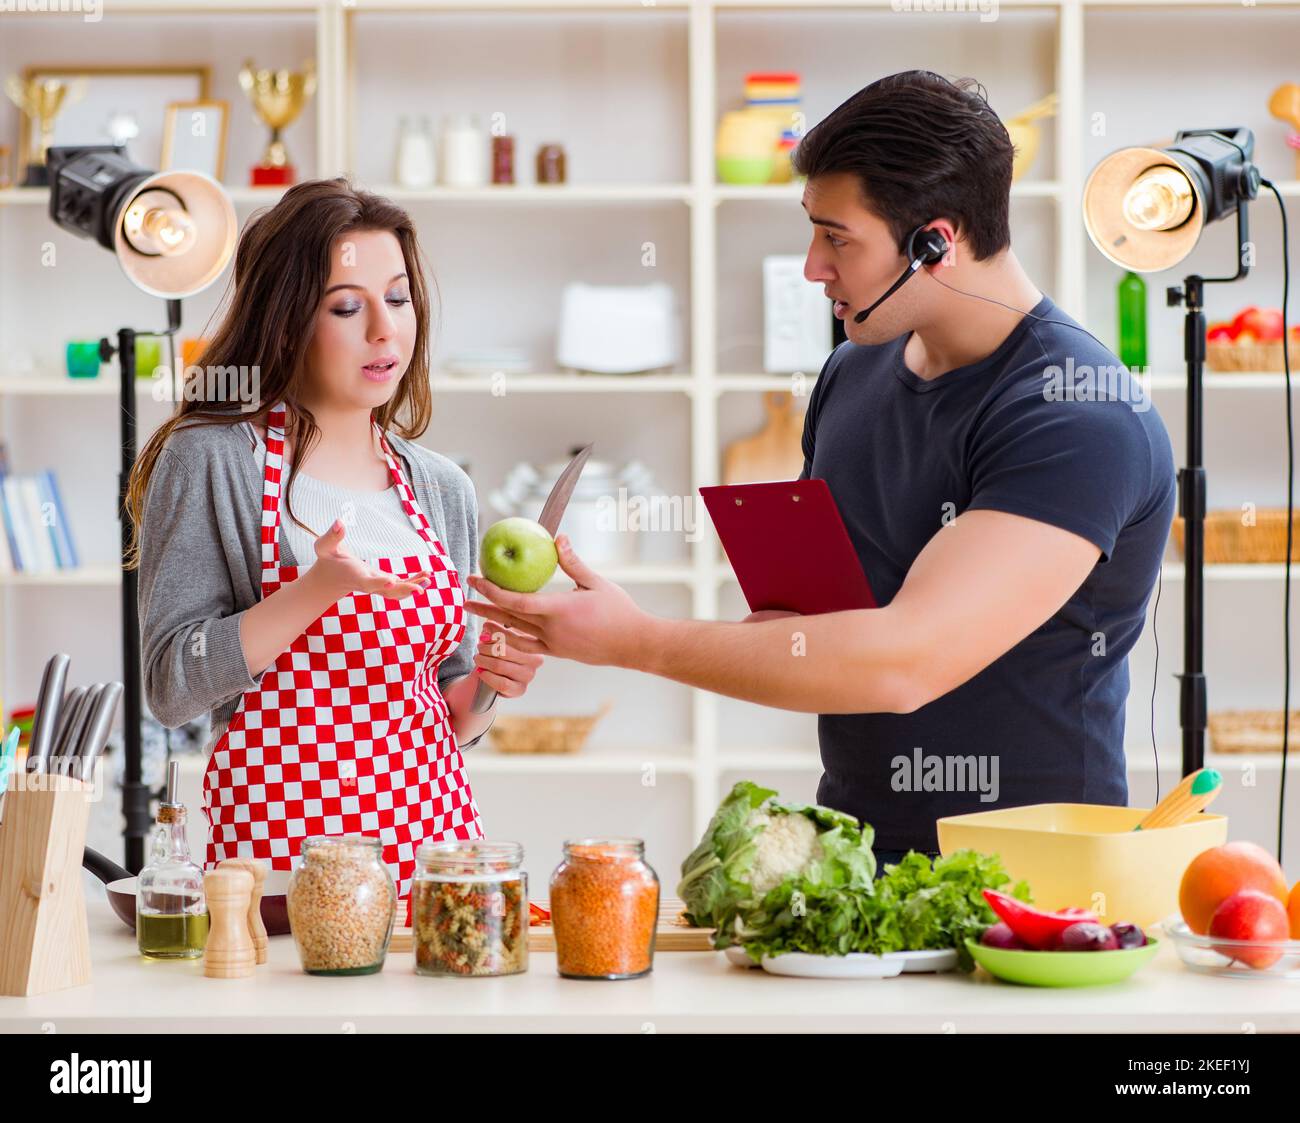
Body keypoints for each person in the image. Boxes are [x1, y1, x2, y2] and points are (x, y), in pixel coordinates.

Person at [465, 71, 1176, 870]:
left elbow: (906, 660)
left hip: (1036, 887)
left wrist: (641, 642)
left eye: (837, 238)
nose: (812, 267)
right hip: (854, 865)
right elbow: (811, 635)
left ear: (934, 244)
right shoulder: (853, 372)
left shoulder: (1077, 412)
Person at [128, 179, 541, 912]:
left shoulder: (442, 486)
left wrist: (490, 684)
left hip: (433, 855)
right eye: (348, 307)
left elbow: (448, 704)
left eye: (400, 298)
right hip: (285, 869)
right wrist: (315, 591)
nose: (385, 330)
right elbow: (169, 684)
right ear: (287, 321)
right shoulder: (214, 458)